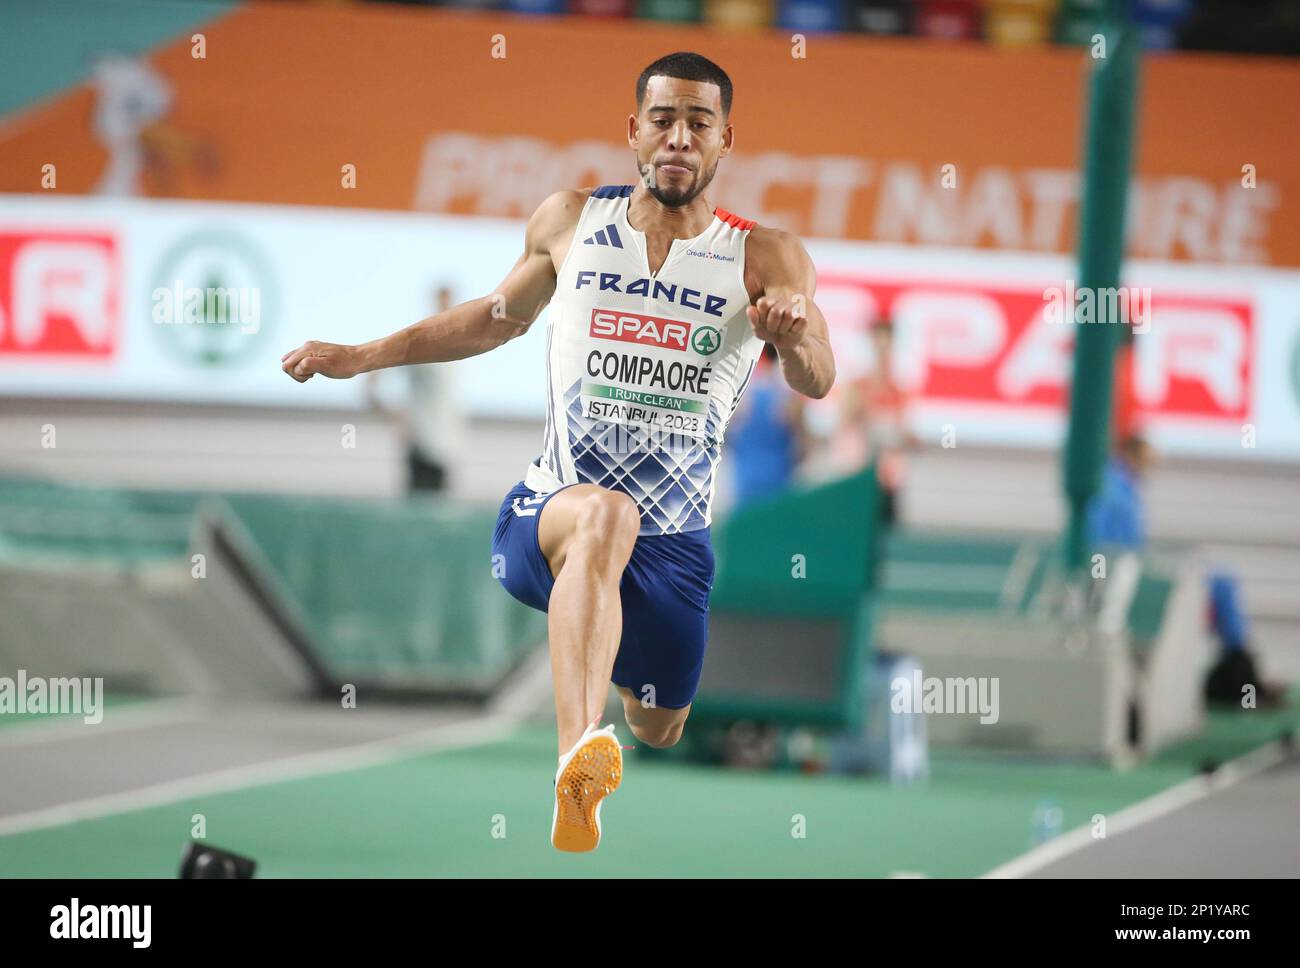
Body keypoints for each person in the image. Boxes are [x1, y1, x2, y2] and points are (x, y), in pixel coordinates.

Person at [280, 52, 836, 851]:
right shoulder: (572, 220)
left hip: (674, 547)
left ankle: (599, 642)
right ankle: (576, 760)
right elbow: (491, 318)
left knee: (659, 726)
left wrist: (793, 331)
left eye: (699, 123)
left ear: (724, 141)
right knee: (604, 517)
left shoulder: (766, 257)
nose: (679, 137)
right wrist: (362, 356)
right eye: (663, 119)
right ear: (634, 131)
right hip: (549, 512)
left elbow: (818, 376)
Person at [1085, 434, 1287, 710]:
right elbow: (1119, 553)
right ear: (1133, 456)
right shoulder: (1116, 494)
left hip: (1127, 574)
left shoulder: (1118, 487)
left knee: (1220, 580)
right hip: (1126, 580)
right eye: (1147, 462)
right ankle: (1241, 674)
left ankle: (1242, 672)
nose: (1150, 470)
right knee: (1222, 583)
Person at [832, 318, 915, 528]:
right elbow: (844, 422)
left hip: (886, 480)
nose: (882, 352)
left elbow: (906, 433)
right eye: (878, 345)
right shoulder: (856, 387)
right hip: (858, 477)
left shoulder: (899, 391)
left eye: (886, 346)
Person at [725, 342, 808, 507]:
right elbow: (803, 446)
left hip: (748, 483)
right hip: (778, 482)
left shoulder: (741, 395)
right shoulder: (787, 397)